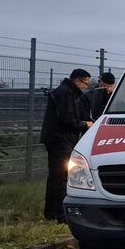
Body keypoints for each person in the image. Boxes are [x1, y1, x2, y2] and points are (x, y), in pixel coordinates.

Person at [40, 69, 92, 221]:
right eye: (85, 83)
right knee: (61, 176)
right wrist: (85, 124)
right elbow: (67, 118)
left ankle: (52, 213)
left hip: (60, 139)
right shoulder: (65, 93)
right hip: (60, 140)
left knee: (57, 176)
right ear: (77, 81)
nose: (85, 87)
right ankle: (59, 214)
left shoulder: (67, 92)